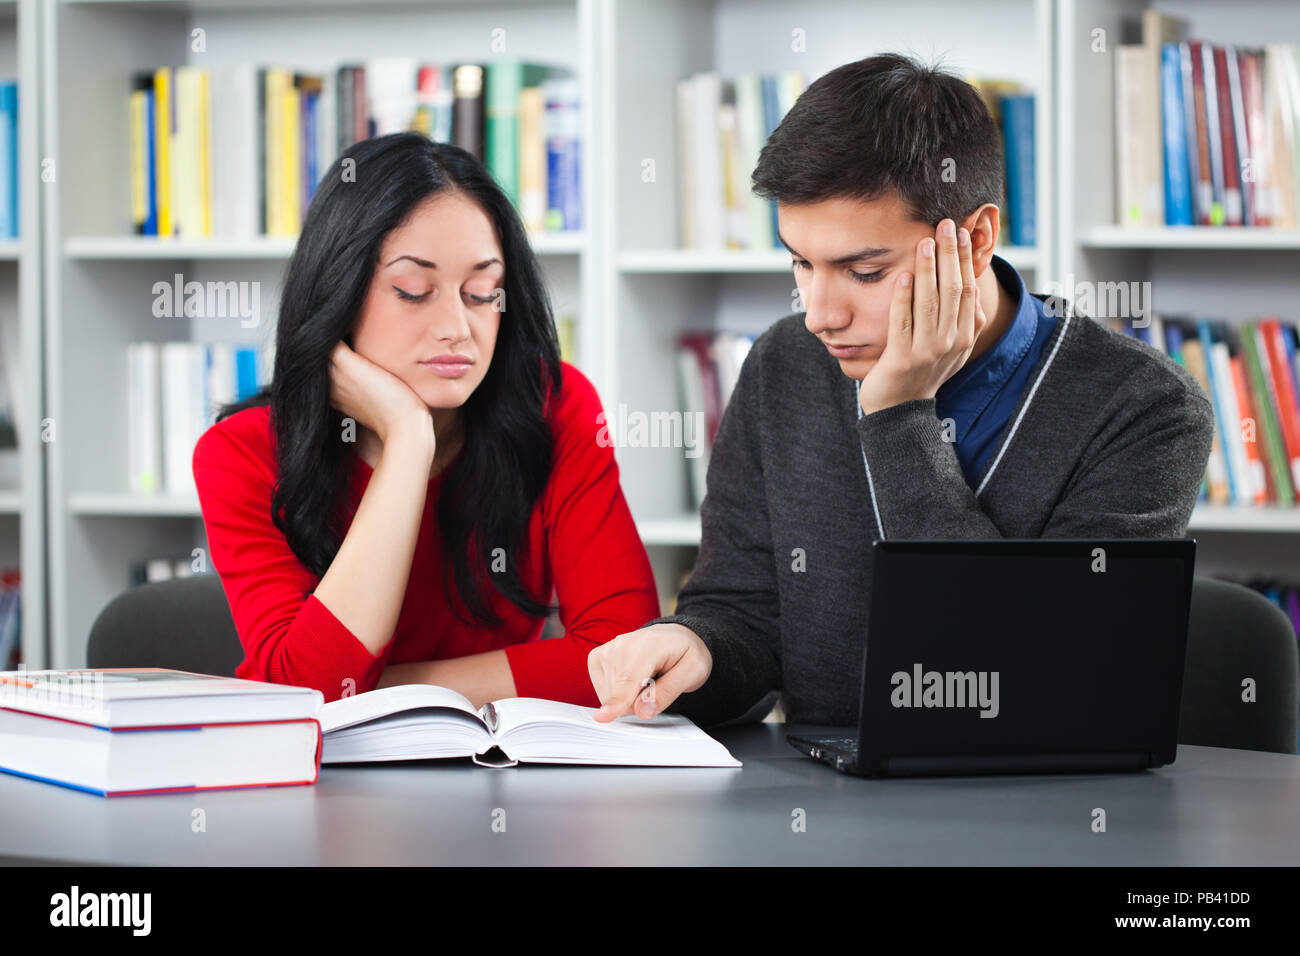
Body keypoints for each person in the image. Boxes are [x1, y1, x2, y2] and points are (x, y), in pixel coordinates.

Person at [588, 53, 1216, 728]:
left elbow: (1037, 676)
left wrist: (898, 416)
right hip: (814, 789)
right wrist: (697, 647)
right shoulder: (782, 364)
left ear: (976, 239)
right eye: (801, 263)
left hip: (1032, 792)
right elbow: (742, 612)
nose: (819, 314)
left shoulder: (1145, 408)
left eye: (863, 272)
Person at [193, 131, 660, 707]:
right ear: (337, 291)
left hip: (497, 760)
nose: (457, 329)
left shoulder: (554, 407)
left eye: (482, 292)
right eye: (413, 290)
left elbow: (630, 657)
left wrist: (381, 690)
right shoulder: (240, 453)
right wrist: (407, 441)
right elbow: (308, 691)